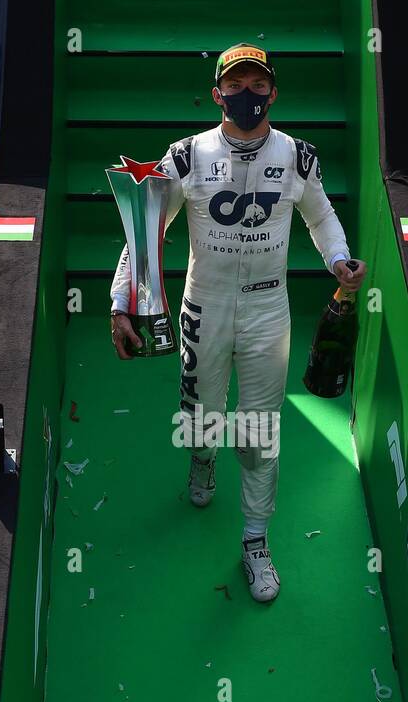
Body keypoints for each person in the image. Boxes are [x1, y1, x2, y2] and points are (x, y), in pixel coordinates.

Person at [109, 42, 365, 603]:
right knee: (201, 411)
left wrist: (338, 260)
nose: (246, 95)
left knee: (258, 428)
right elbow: (146, 228)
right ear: (216, 92)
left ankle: (255, 538)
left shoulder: (298, 156)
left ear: (274, 91)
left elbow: (321, 216)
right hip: (205, 305)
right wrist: (120, 301)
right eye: (235, 85)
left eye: (257, 85)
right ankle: (202, 460)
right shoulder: (184, 155)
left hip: (268, 309)